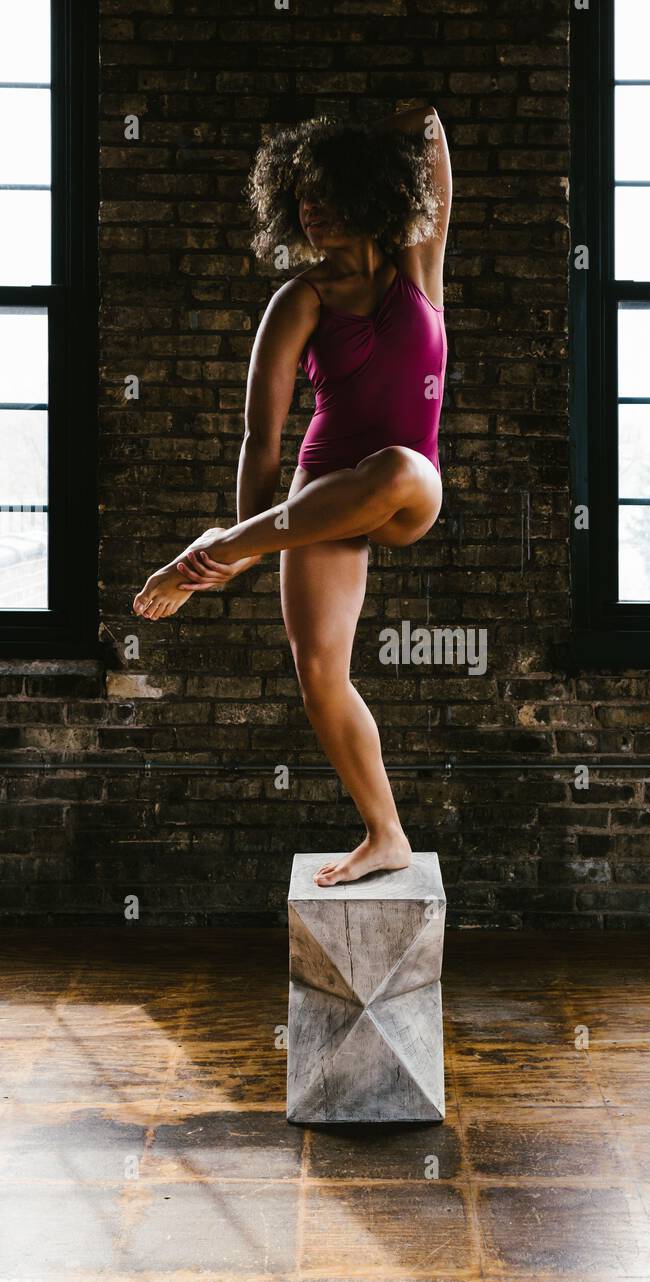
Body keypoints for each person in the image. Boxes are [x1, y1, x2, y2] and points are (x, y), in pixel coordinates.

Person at [132, 106, 452, 886]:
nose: (310, 206)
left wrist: (411, 123)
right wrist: (257, 520)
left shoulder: (416, 267)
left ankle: (221, 551)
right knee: (319, 674)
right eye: (300, 193)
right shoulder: (298, 300)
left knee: (399, 468)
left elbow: (436, 159)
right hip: (316, 492)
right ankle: (386, 834)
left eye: (326, 189)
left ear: (367, 189)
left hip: (402, 483)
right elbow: (262, 437)